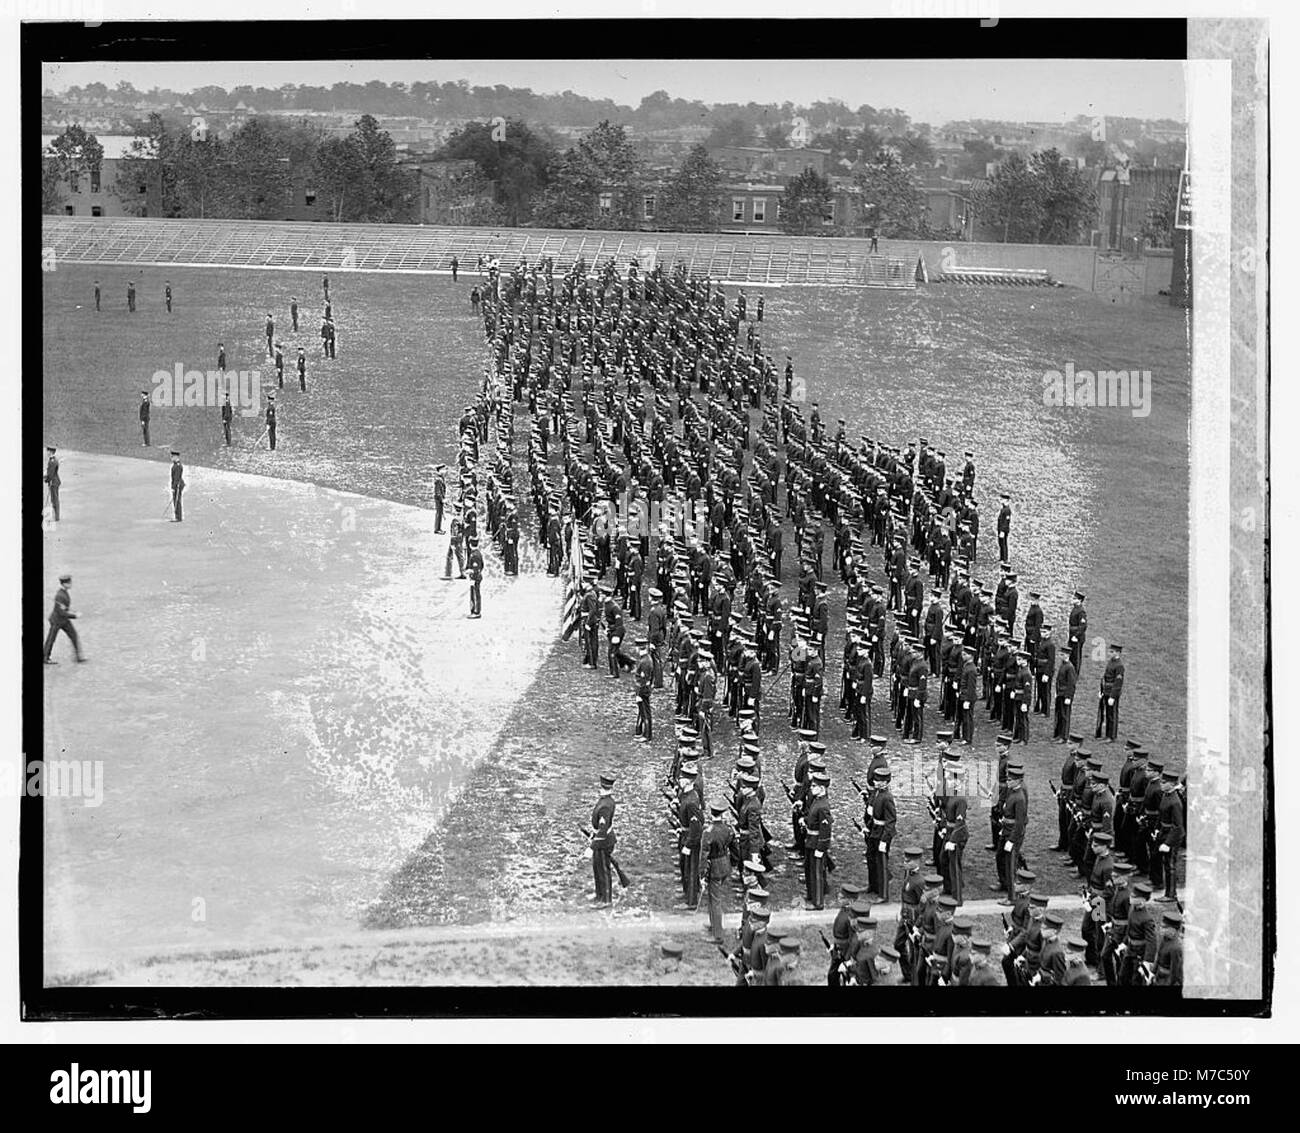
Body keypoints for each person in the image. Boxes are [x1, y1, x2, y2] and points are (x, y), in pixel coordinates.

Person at [704, 802, 738, 943]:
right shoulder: (728, 829)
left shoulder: (709, 832)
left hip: (714, 868)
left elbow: (704, 856)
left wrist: (702, 875)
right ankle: (714, 924)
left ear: (711, 814)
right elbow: (735, 849)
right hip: (725, 864)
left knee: (715, 900)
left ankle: (718, 935)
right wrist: (734, 864)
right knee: (713, 899)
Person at [589, 773, 618, 906]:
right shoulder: (606, 800)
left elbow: (602, 828)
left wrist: (592, 846)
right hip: (601, 839)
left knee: (603, 871)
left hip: (603, 841)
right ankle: (599, 894)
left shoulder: (605, 805)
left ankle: (606, 899)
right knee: (598, 868)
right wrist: (592, 835)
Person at [42, 574, 84, 664]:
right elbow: (61, 612)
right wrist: (75, 616)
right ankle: (45, 658)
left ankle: (78, 657)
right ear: (64, 584)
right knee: (51, 639)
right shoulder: (60, 595)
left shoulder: (64, 592)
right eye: (69, 583)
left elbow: (64, 608)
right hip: (57, 621)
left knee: (74, 635)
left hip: (64, 620)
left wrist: (68, 609)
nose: (71, 584)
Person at [1095, 643, 1125, 742]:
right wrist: (1101, 690)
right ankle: (1107, 734)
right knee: (1107, 713)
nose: (1109, 653)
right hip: (1106, 690)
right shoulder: (1111, 662)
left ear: (1118, 653)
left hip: (1112, 692)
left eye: (1111, 652)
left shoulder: (1119, 666)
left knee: (1112, 714)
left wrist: (1113, 696)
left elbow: (1118, 683)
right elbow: (1105, 677)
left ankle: (1112, 736)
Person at [467, 537, 484, 618]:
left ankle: (476, 611)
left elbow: (475, 568)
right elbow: (482, 565)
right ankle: (474, 610)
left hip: (475, 577)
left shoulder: (474, 555)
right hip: (477, 576)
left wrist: (471, 572)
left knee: (475, 594)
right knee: (475, 593)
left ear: (470, 544)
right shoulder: (478, 553)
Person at [43, 446, 60, 522]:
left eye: (47, 451)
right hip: (54, 481)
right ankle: (55, 516)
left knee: (54, 499)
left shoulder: (52, 461)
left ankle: (56, 517)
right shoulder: (53, 460)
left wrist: (46, 479)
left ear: (51, 452)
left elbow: (50, 474)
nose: (46, 452)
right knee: (54, 499)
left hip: (53, 482)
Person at [169, 449, 185, 521]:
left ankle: (178, 517)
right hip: (177, 485)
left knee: (177, 501)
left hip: (178, 485)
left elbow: (176, 478)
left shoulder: (178, 466)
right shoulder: (175, 465)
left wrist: (173, 487)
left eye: (172, 457)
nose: (171, 458)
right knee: (176, 500)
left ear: (176, 457)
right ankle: (177, 516)